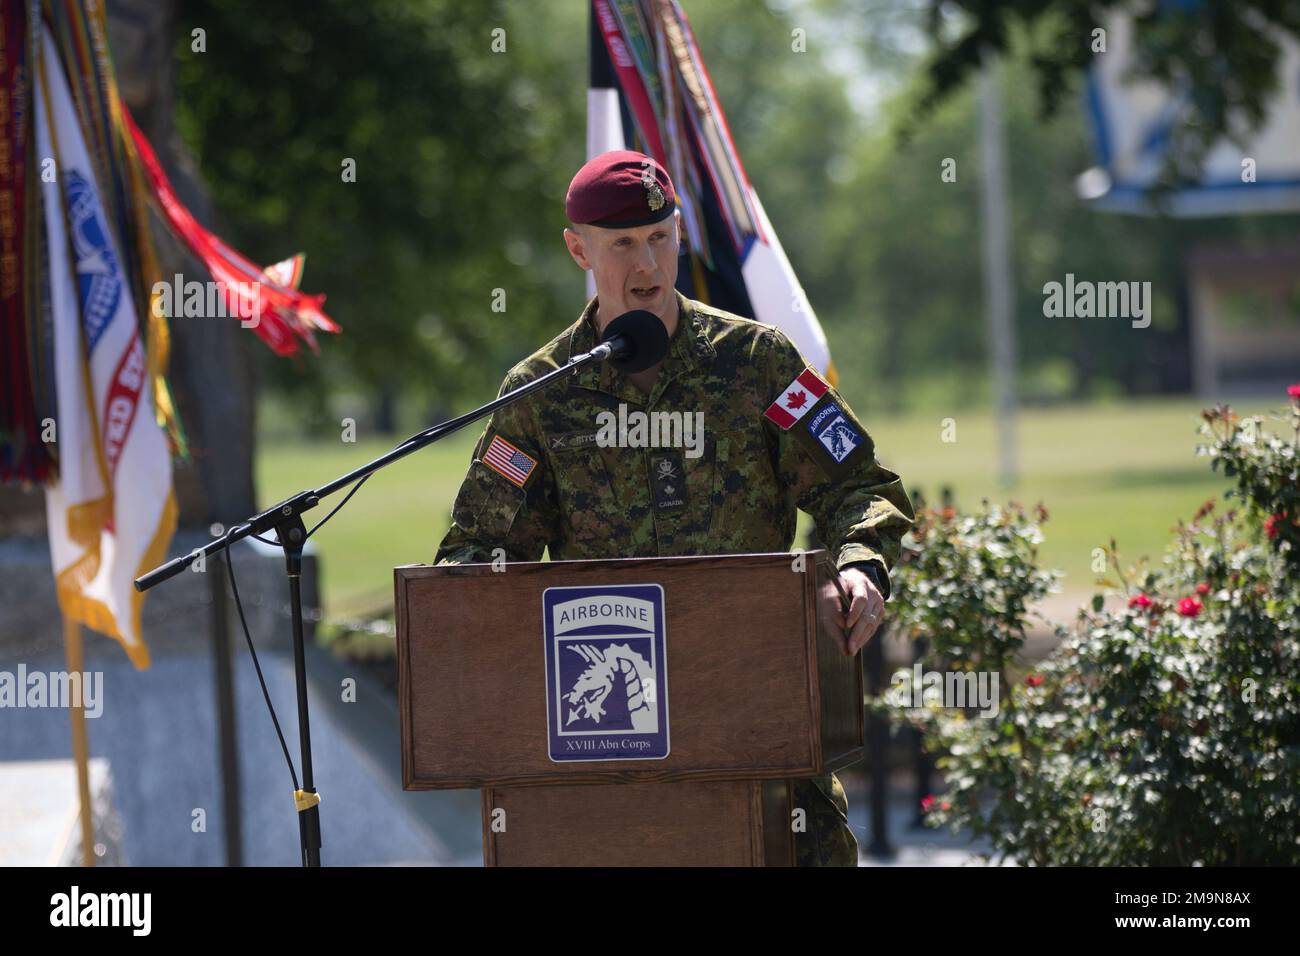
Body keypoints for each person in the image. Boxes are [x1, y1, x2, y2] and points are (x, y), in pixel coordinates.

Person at [436, 149, 914, 866]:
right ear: (578, 249)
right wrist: (466, 603)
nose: (648, 265)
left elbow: (860, 485)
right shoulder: (542, 393)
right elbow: (477, 552)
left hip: (759, 725)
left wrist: (861, 567)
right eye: (623, 244)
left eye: (660, 236)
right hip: (606, 759)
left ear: (681, 231)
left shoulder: (756, 363)